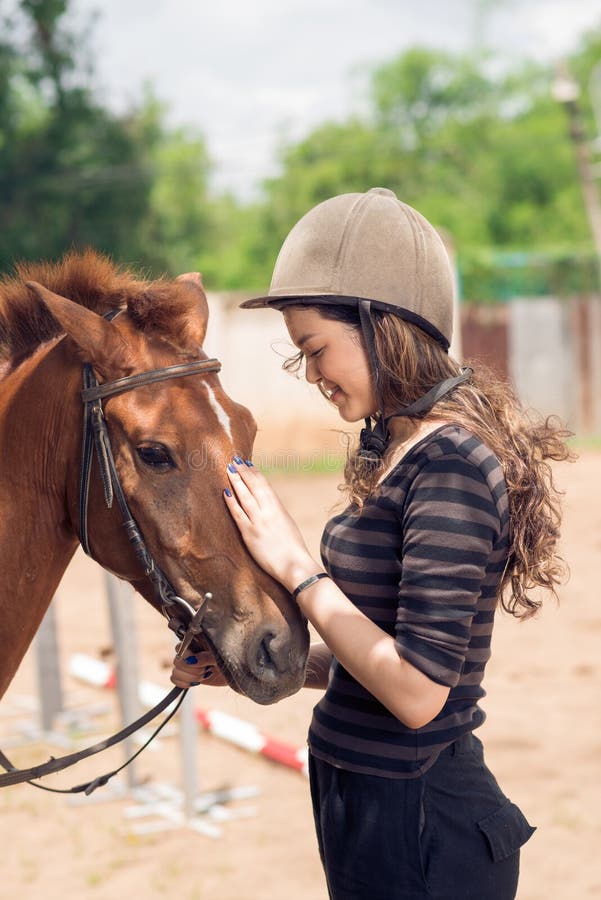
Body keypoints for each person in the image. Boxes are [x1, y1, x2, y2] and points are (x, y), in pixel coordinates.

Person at [171, 187, 572, 899]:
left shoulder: (449, 463)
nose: (311, 375)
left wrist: (296, 566)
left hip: (422, 826)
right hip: (370, 810)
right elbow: (373, 661)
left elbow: (416, 693)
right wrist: (260, 665)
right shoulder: (395, 448)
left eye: (315, 349)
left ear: (381, 326)